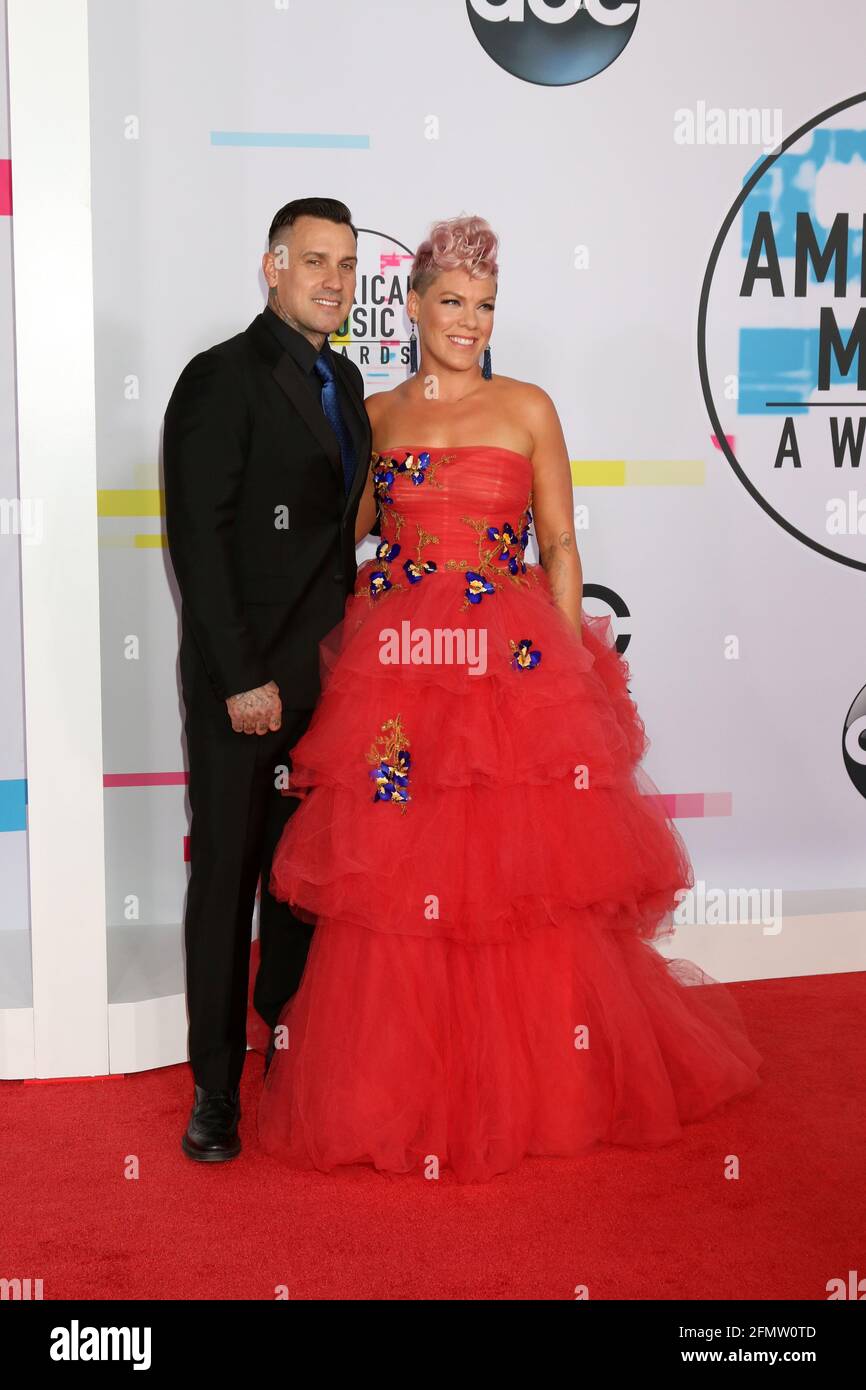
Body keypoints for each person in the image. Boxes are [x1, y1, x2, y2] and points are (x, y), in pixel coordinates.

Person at [256, 214, 763, 1183]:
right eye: (451, 301)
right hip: (400, 668)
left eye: (483, 306)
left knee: (518, 875)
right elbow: (342, 535)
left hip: (507, 668)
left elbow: (561, 548)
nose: (468, 322)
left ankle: (540, 1082)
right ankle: (400, 1083)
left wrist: (570, 672)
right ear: (410, 306)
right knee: (399, 869)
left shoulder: (527, 407)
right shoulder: (378, 413)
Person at [163, 197, 371, 1161]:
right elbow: (197, 544)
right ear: (271, 267)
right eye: (313, 260)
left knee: (301, 883)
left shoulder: (349, 377)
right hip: (241, 691)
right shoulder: (218, 378)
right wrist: (241, 676)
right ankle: (215, 1087)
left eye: (345, 264)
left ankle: (285, 1045)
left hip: (327, 687)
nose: (332, 279)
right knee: (227, 883)